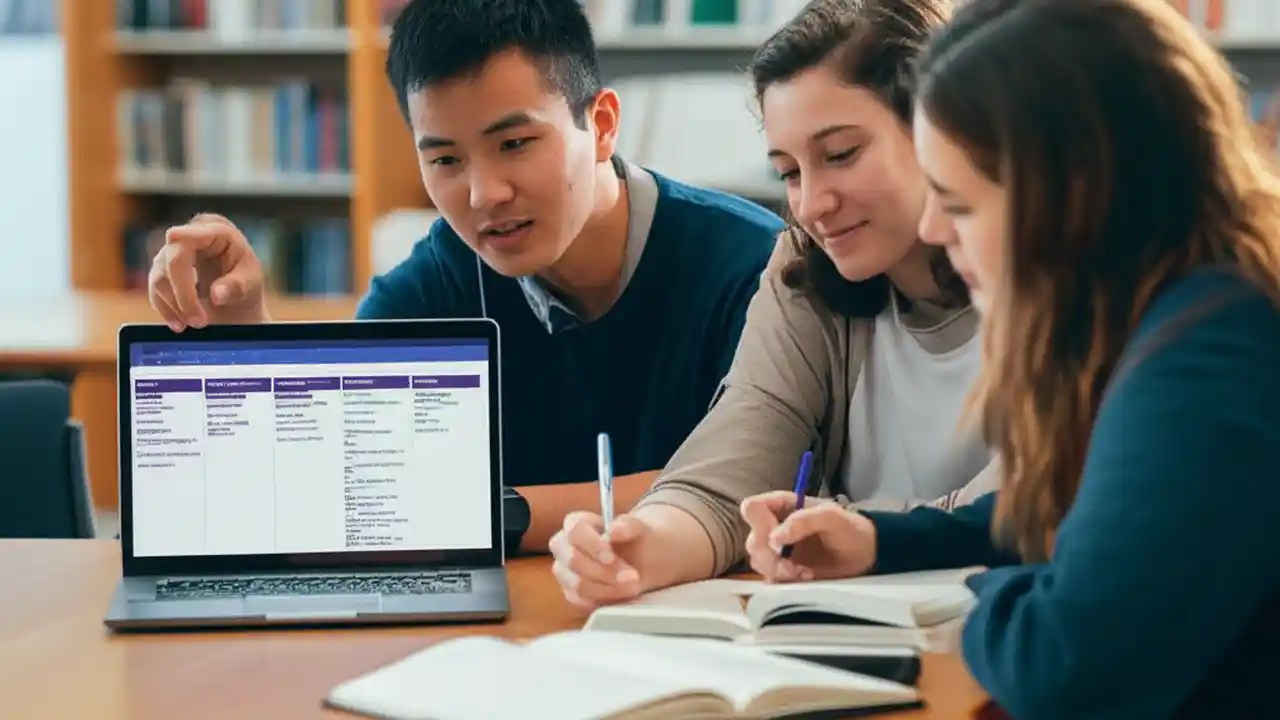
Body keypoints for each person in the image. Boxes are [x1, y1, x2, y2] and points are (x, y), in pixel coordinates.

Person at [739, 0, 1280, 717]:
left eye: (958, 203)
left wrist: (984, 595)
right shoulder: (1178, 310)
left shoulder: (1207, 354)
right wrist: (881, 541)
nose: (935, 228)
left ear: (1071, 193)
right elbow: (1093, 519)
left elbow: (1062, 668)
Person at [143, 0, 783, 554]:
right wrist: (242, 334)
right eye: (445, 158)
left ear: (603, 125)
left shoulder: (749, 265)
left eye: (514, 145)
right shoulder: (440, 279)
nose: (483, 194)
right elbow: (336, 482)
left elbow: (749, 482)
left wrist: (488, 513)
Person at [550, 0, 999, 610]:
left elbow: (1025, 510)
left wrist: (861, 533)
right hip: (858, 637)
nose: (813, 205)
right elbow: (727, 477)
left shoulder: (1062, 282)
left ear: (938, 129)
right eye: (789, 172)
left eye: (840, 154)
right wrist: (640, 546)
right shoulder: (803, 269)